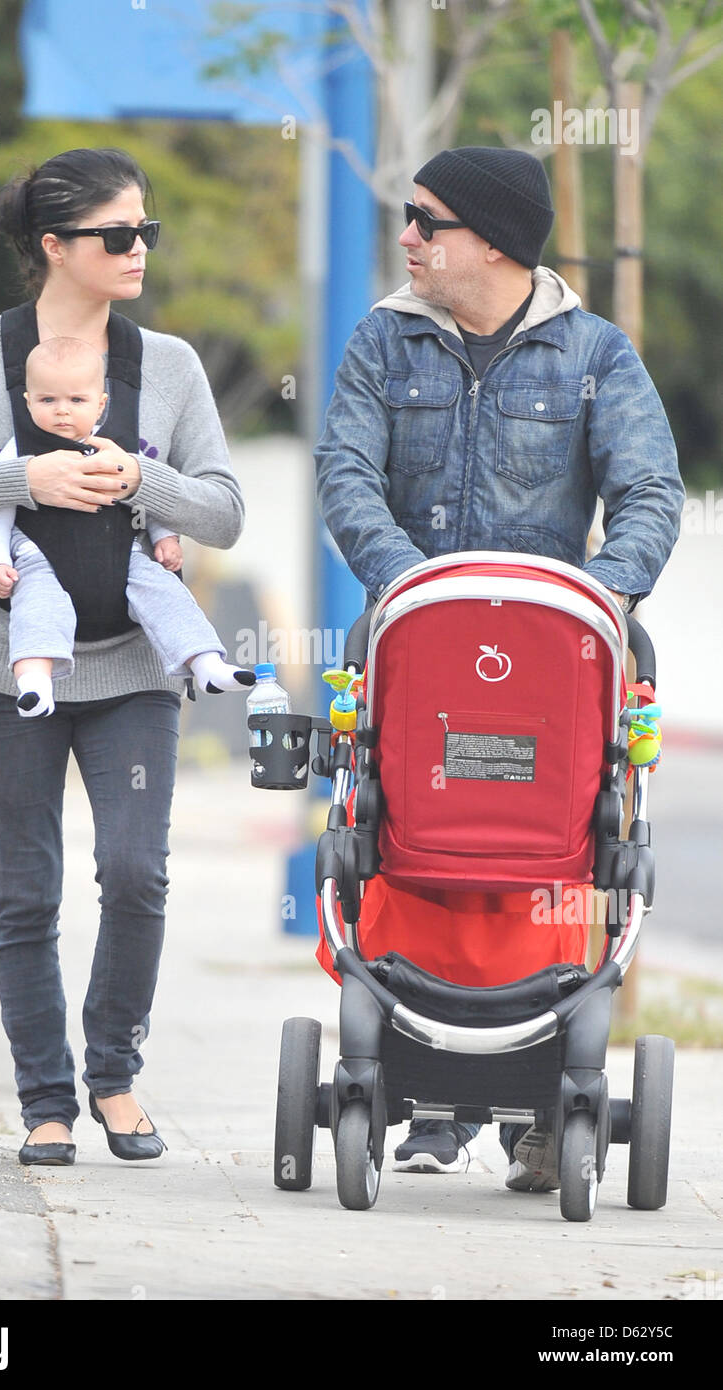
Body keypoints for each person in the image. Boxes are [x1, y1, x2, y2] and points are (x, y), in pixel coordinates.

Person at [313, 145, 685, 1189]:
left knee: (560, 851)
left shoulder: (595, 355)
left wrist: (598, 599)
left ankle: (533, 1086)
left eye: (423, 219)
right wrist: (406, 594)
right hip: (417, 650)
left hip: (550, 663)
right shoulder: (382, 342)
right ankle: (424, 1084)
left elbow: (649, 492)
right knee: (407, 829)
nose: (407, 237)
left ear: (490, 240)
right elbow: (344, 471)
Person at [0, 147, 246, 1165]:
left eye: (147, 232)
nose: (139, 249)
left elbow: (220, 507)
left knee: (135, 873)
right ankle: (46, 1103)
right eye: (116, 234)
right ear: (54, 246)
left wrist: (143, 480)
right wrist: (21, 482)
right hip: (8, 671)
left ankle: (116, 1076)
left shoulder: (165, 366)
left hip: (134, 666)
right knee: (25, 889)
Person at [0, 334, 254, 717]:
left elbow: (148, 497)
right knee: (37, 605)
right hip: (39, 555)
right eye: (47, 400)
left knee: (163, 590)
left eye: (76, 400)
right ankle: (34, 683)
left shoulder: (116, 449)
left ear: (100, 403)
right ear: (27, 402)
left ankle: (205, 662)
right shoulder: (18, 449)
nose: (62, 411)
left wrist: (166, 537)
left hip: (119, 551)